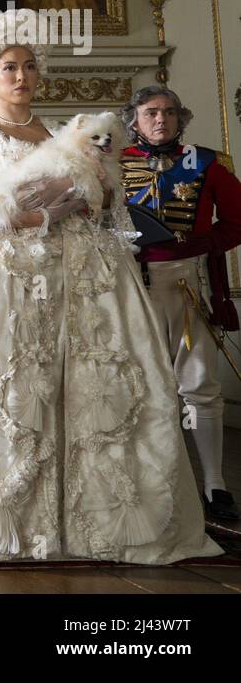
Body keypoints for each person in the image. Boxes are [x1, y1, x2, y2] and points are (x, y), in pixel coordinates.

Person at [0, 9, 220, 564]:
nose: (21, 76)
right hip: (2, 276)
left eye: (30, 66)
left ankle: (93, 524)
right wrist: (43, 214)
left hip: (81, 274)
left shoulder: (64, 132)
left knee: (91, 387)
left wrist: (96, 193)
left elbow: (110, 205)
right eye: (9, 67)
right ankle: (8, 521)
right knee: (8, 390)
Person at [120, 85, 241, 519]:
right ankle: (159, 485)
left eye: (170, 112)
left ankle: (215, 484)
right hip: (134, 285)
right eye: (151, 112)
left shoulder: (206, 162)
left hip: (190, 285)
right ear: (134, 119)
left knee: (200, 385)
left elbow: (237, 219)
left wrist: (205, 243)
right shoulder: (114, 164)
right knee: (144, 387)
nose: (161, 119)